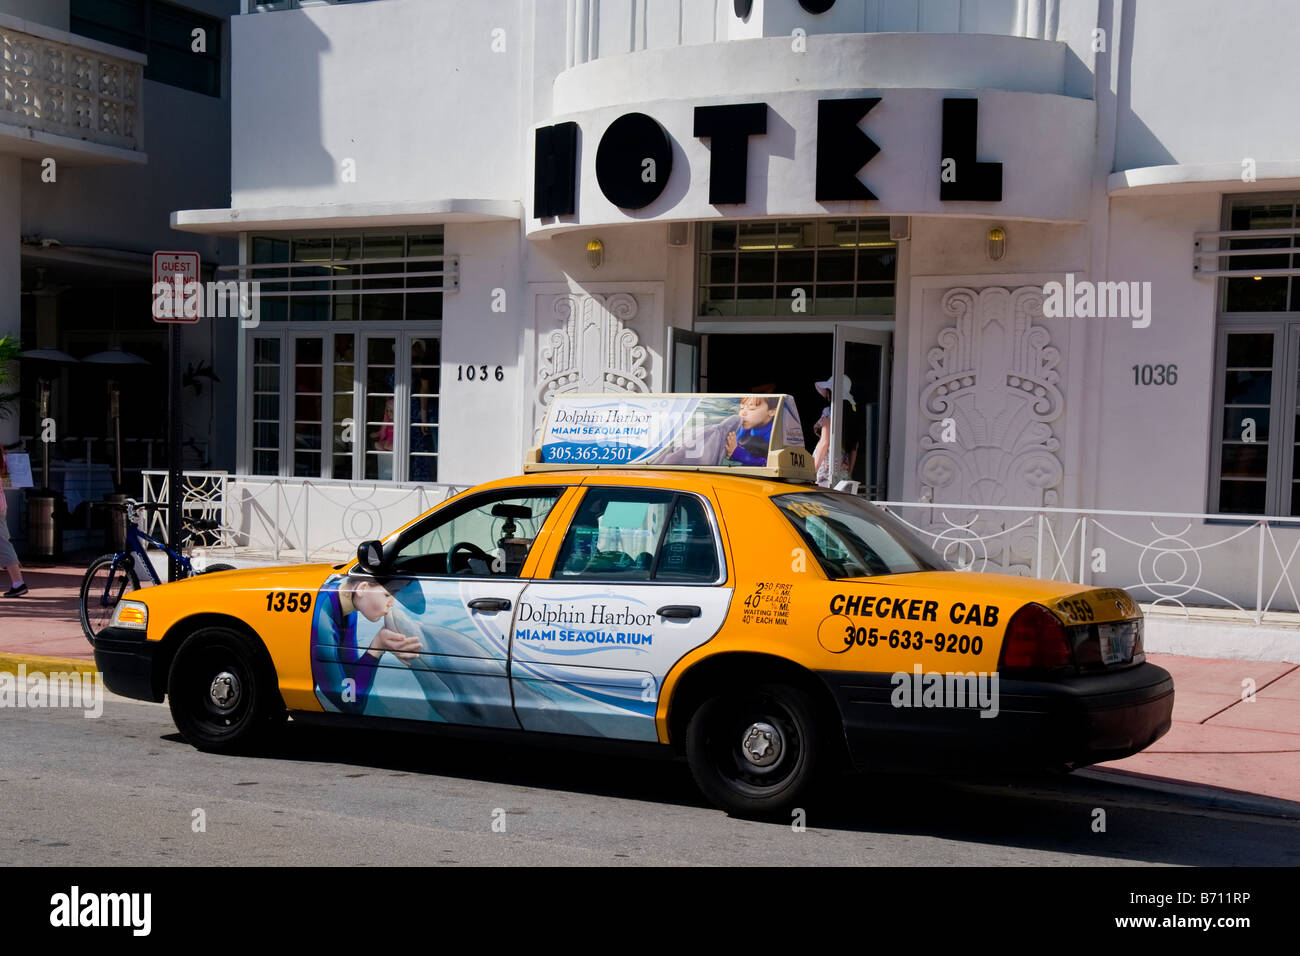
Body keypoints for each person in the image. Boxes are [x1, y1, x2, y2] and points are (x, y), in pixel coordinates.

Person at [311, 573, 422, 713]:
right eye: (387, 595)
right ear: (362, 588)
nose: (392, 604)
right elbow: (350, 701)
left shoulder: (347, 607)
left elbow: (348, 675)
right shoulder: (322, 621)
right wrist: (377, 647)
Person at [813, 376, 860, 488]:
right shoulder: (852, 416)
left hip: (825, 470)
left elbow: (824, 442)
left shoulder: (829, 412)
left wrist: (812, 471)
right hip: (843, 473)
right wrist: (849, 474)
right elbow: (854, 447)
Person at [0, 447, 27, 597]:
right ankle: (18, 583)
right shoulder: (2, 456)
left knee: (3, 544)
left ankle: (18, 582)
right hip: (1, 504)